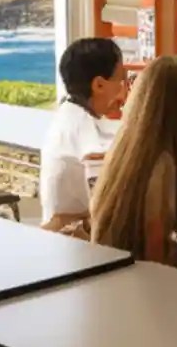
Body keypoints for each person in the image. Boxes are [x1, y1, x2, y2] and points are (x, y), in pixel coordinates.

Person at [90, 55, 177, 265]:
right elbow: (155, 255)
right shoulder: (163, 165)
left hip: (114, 266)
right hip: (140, 275)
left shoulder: (130, 149)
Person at [40, 37, 126, 235]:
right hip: (74, 240)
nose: (122, 88)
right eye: (120, 79)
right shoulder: (85, 133)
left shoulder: (69, 114)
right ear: (99, 85)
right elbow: (106, 204)